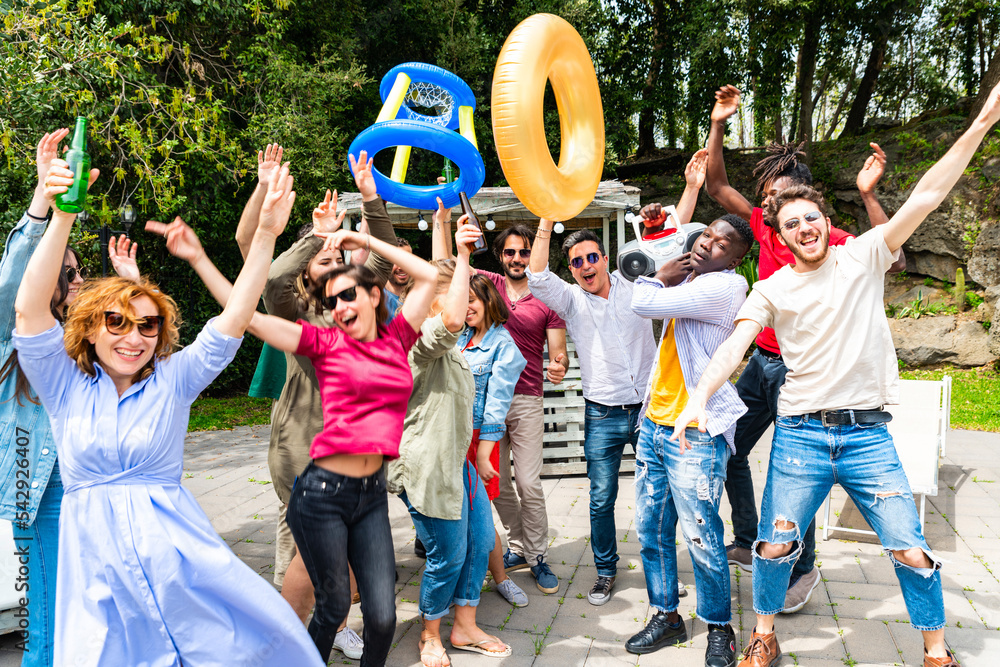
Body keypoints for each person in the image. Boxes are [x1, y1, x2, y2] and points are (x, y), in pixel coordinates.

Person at [672, 79, 1000, 667]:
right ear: (778, 233)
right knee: (773, 547)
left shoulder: (862, 255)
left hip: (867, 436)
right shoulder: (771, 286)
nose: (805, 227)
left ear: (825, 219)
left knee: (911, 550)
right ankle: (764, 635)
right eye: (791, 222)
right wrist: (699, 397)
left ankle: (936, 651)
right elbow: (735, 346)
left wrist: (980, 123)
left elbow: (927, 196)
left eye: (811, 217)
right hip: (800, 435)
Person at [13, 157, 323, 665]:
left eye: (147, 325)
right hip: (95, 576)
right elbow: (28, 311)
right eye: (116, 322)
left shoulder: (173, 380)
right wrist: (63, 213)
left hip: (179, 571)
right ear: (90, 328)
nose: (133, 337)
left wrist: (266, 235)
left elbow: (236, 316)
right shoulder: (64, 386)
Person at [704, 84, 903, 613]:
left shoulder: (824, 235)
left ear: (806, 200)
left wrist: (869, 197)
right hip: (760, 364)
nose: (772, 205)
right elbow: (716, 183)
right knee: (729, 448)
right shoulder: (763, 224)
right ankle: (750, 539)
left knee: (799, 469)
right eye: (768, 198)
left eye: (781, 196)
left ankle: (803, 566)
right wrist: (720, 122)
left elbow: (894, 254)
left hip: (804, 372)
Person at [234, 148, 401, 660]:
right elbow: (268, 270)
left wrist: (370, 199)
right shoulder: (296, 313)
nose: (336, 268)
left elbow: (383, 259)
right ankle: (288, 643)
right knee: (304, 560)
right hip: (305, 452)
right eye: (324, 264)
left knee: (336, 555)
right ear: (308, 274)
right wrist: (315, 237)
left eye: (340, 262)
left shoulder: (357, 310)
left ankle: (330, 625)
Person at [525, 150, 709, 604]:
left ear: (605, 258)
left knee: (661, 495)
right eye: (577, 262)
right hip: (602, 414)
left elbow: (673, 245)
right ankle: (605, 572)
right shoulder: (570, 301)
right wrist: (547, 219)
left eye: (592, 257)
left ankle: (661, 572)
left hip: (649, 411)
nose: (586, 266)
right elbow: (536, 276)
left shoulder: (637, 284)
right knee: (600, 498)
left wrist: (691, 188)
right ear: (572, 270)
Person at [625, 212, 753, 664]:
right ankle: (667, 617)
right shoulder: (695, 277)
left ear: (734, 259)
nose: (706, 243)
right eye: (707, 234)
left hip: (696, 433)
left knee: (701, 535)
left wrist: (659, 276)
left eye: (720, 244)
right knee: (652, 530)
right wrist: (656, 230)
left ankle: (719, 627)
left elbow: (643, 302)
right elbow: (668, 239)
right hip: (656, 424)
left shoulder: (725, 287)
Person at [389, 220, 513, 666]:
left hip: (458, 465)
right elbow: (453, 320)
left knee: (480, 544)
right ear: (432, 301)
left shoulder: (450, 346)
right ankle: (430, 633)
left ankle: (464, 627)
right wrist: (462, 257)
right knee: (449, 555)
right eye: (459, 291)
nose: (469, 299)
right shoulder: (416, 340)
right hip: (427, 469)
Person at [430, 200, 564, 600]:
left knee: (528, 482)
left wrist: (558, 363)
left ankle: (537, 556)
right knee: (497, 483)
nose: (518, 258)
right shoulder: (488, 283)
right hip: (482, 400)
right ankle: (518, 545)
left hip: (525, 398)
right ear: (501, 256)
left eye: (524, 251)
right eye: (510, 252)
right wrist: (442, 222)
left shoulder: (547, 296)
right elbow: (446, 270)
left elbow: (558, 350)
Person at [458, 275, 528, 607]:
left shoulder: (503, 345)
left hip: (478, 440)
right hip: (451, 436)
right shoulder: (459, 337)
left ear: (488, 301)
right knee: (457, 517)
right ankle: (462, 583)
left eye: (471, 300)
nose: (465, 307)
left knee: (480, 517)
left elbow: (497, 405)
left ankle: (500, 578)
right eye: (462, 300)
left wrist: (484, 453)